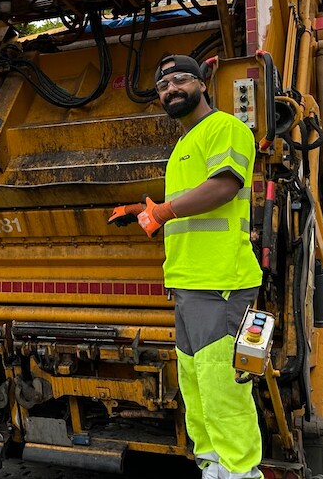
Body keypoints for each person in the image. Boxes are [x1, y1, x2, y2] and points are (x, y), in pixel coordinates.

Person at [109, 55, 262, 479]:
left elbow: (224, 186)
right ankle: (215, 468)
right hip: (190, 284)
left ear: (203, 84)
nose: (171, 89)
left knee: (224, 390)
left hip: (222, 283)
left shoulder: (226, 128)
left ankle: (241, 472)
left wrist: (163, 212)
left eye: (180, 80)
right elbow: (188, 210)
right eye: (163, 86)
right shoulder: (183, 145)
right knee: (197, 392)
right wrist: (146, 210)